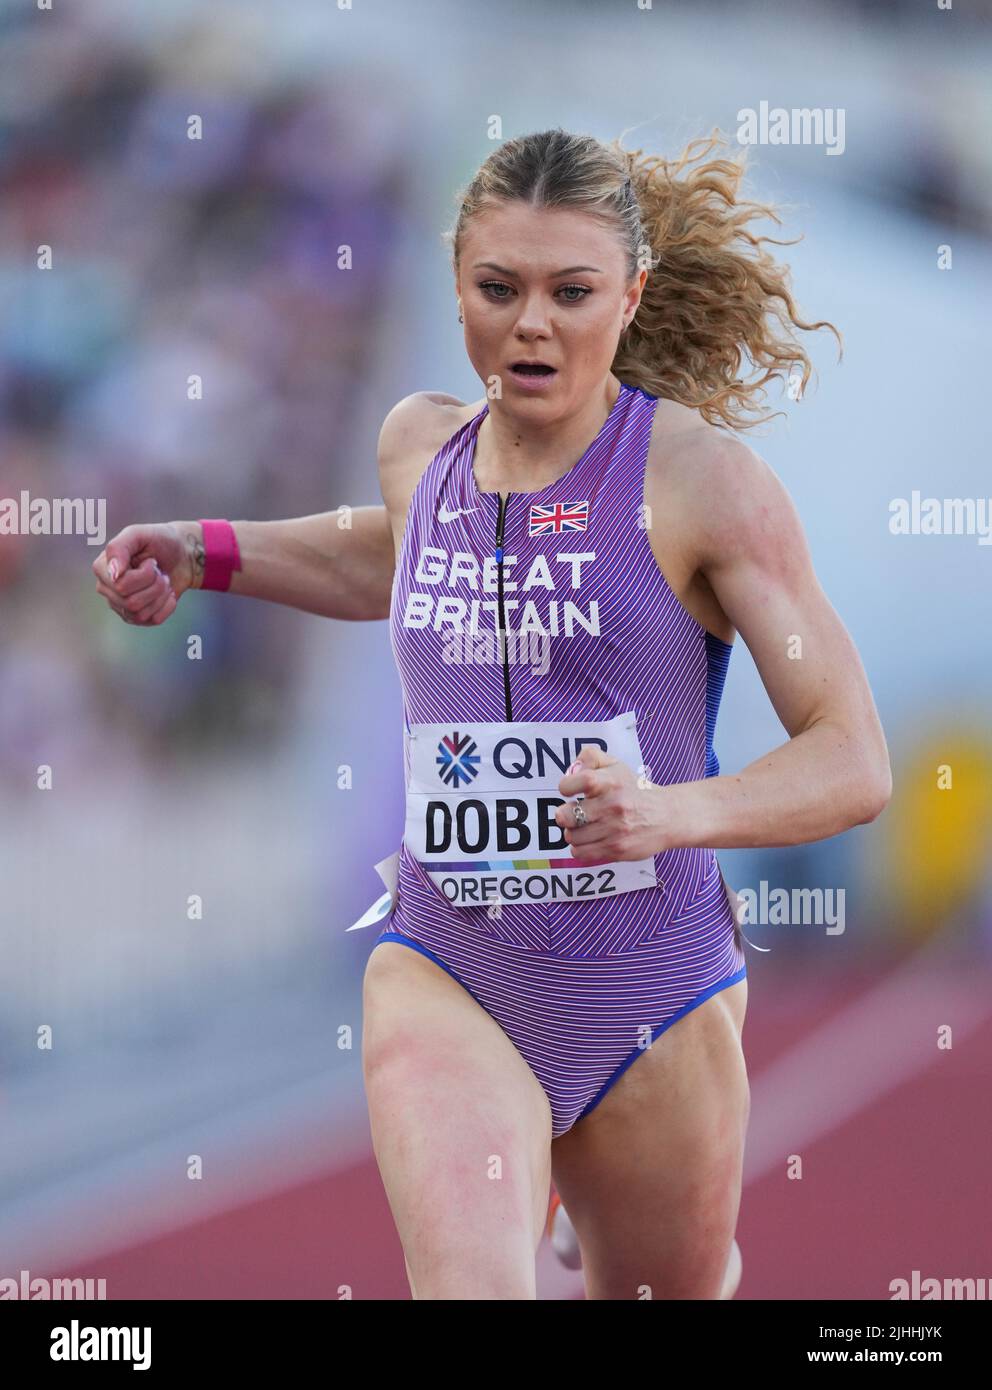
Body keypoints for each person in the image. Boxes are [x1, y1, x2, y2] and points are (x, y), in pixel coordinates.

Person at [92, 127, 892, 1301]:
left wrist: (667, 814)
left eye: (570, 293)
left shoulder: (702, 485)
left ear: (630, 296)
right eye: (496, 288)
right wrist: (206, 549)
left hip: (651, 990)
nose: (530, 325)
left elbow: (852, 757)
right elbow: (387, 559)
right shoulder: (421, 448)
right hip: (451, 967)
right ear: (455, 288)